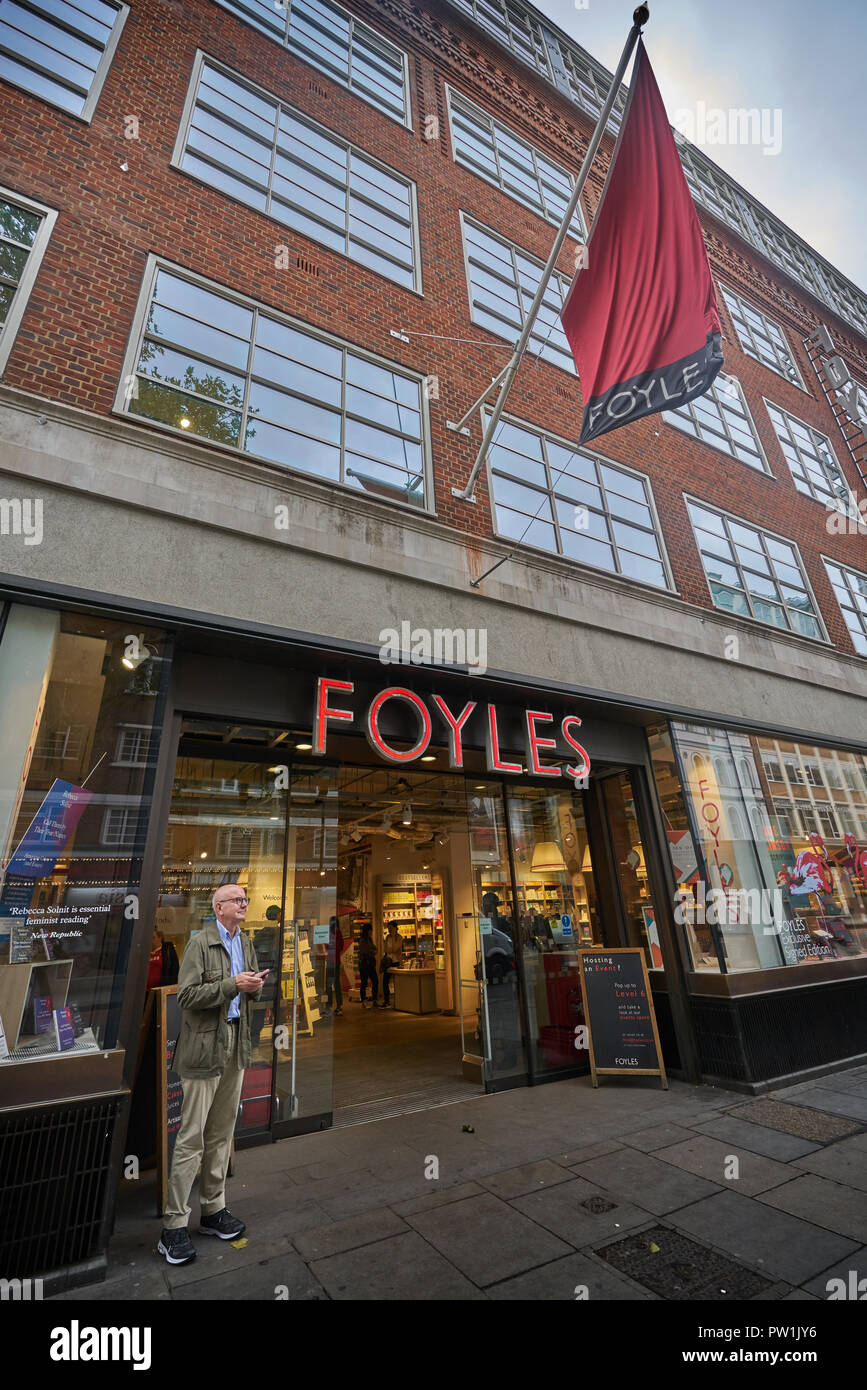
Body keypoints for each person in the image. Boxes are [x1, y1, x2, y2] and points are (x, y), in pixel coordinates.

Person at [157, 884, 266, 1266]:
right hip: (204, 1048)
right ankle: (173, 1226)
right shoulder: (199, 944)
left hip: (234, 1044)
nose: (244, 904)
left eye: (245, 900)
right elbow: (185, 996)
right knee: (191, 1139)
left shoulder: (245, 942)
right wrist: (231, 985)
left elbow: (244, 992)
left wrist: (253, 986)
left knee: (221, 1134)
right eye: (238, 899)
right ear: (219, 907)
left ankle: (213, 1210)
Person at [147, 926, 179, 990]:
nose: (151, 941)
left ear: (160, 938)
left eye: (153, 938)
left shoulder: (167, 951)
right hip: (145, 991)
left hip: (160, 990)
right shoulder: (144, 952)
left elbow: (175, 969)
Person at [325, 914, 344, 1015]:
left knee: (328, 984)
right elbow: (341, 946)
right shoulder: (339, 933)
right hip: (337, 961)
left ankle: (328, 1007)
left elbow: (326, 946)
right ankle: (339, 1007)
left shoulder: (329, 933)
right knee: (337, 984)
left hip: (330, 961)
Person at [380, 925, 403, 1008]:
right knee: (385, 981)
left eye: (391, 928)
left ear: (395, 928)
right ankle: (386, 1001)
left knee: (397, 982)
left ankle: (400, 1001)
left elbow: (395, 948)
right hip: (388, 962)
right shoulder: (387, 937)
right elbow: (385, 949)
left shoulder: (399, 937)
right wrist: (390, 950)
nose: (390, 929)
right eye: (388, 928)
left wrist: (390, 949)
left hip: (397, 961)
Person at [357, 922, 378, 1007]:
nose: (371, 932)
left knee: (374, 981)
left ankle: (374, 1000)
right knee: (365, 983)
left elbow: (374, 948)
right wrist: (372, 952)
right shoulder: (363, 940)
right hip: (365, 965)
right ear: (367, 931)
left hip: (369, 964)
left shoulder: (369, 939)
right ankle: (364, 1001)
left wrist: (372, 951)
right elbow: (366, 952)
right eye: (370, 930)